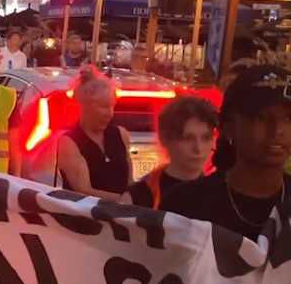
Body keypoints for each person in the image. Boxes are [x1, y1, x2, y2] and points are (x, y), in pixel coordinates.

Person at [160, 65, 291, 241]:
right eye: (260, 117)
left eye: (289, 118)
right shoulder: (184, 204)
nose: (277, 130)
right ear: (229, 127)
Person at [128, 96, 218, 209]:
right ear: (164, 139)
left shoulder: (219, 195)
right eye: (187, 138)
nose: (198, 148)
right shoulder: (139, 196)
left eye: (206, 138)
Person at [56, 69, 131, 201]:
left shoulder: (121, 135)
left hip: (121, 217)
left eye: (113, 106)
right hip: (85, 216)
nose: (110, 113)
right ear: (85, 105)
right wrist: (125, 201)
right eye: (104, 106)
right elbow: (83, 190)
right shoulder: (69, 142)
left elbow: (130, 182)